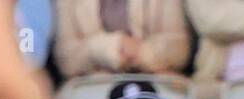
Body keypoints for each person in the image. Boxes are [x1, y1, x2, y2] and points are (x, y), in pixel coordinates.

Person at [52, 0, 189, 78]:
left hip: (155, 79)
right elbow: (66, 59)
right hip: (92, 83)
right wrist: (109, 47)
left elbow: (179, 49)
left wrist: (141, 52)